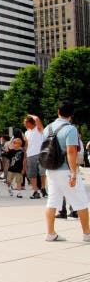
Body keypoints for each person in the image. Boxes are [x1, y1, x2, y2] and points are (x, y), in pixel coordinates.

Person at [42, 101, 90, 242]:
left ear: (58, 111)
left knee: (52, 201)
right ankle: (87, 233)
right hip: (65, 170)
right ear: (71, 115)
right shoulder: (70, 129)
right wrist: (74, 173)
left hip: (51, 169)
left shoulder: (48, 128)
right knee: (80, 201)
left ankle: (50, 233)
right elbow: (71, 151)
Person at [24, 114, 46, 199]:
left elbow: (37, 119)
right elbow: (26, 144)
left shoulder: (38, 129)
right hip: (30, 154)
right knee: (32, 174)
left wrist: (31, 116)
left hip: (40, 153)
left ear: (30, 122)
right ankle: (35, 190)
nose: (24, 124)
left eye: (25, 122)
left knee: (42, 172)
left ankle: (43, 188)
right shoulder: (27, 132)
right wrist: (25, 155)